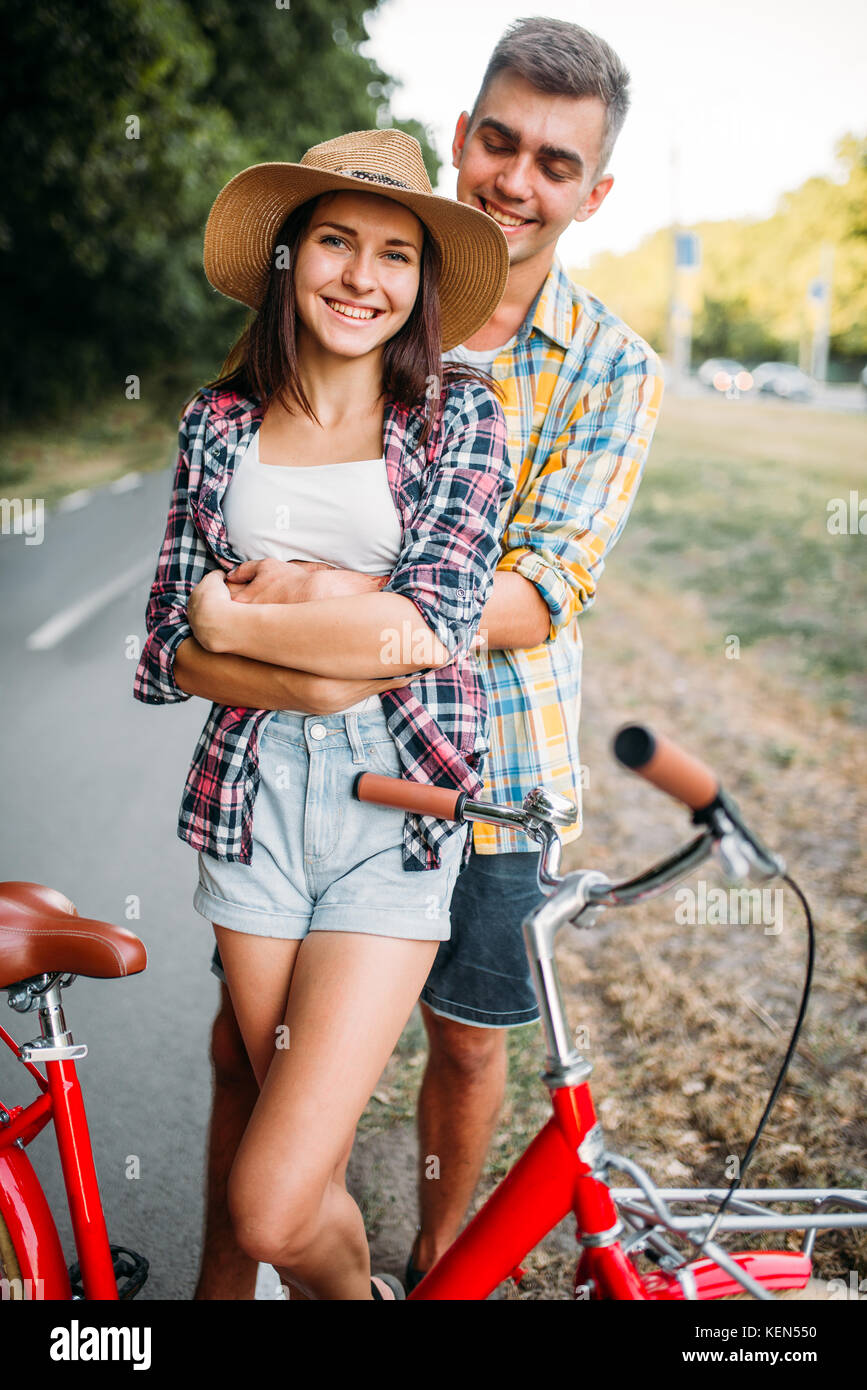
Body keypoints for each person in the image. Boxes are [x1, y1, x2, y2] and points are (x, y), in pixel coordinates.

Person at [191, 17, 666, 1302]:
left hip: (499, 764)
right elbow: (220, 564)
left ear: (595, 191)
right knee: (264, 1062)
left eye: (556, 164)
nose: (517, 178)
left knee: (466, 1045)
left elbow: (539, 590)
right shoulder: (369, 308)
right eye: (499, 141)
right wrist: (270, 630)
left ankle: (435, 1266)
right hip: (314, 755)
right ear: (462, 138)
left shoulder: (614, 368)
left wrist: (324, 598)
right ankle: (244, 1277)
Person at [133, 127, 514, 1300]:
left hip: (392, 804)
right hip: (248, 805)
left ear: (423, 283)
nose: (363, 278)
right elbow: (162, 646)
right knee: (309, 1169)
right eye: (336, 244)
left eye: (396, 256)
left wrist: (243, 617)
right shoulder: (218, 422)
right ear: (291, 258)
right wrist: (322, 647)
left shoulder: (460, 411)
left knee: (274, 1198)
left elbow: (436, 622)